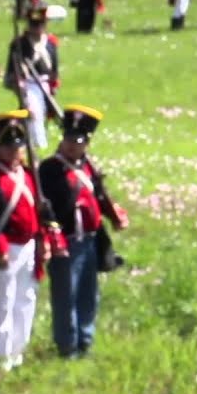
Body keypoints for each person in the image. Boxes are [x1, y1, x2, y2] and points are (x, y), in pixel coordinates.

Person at [38, 105, 130, 358]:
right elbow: (44, 208)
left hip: (90, 240)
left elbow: (99, 197)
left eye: (77, 141)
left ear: (87, 142)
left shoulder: (88, 167)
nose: (71, 145)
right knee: (65, 297)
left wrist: (114, 216)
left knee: (88, 295)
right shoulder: (49, 169)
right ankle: (67, 346)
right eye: (68, 139)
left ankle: (85, 341)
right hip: (65, 241)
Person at [0, 111, 64, 370]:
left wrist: (44, 240)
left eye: (18, 146)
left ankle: (17, 352)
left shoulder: (28, 175)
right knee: (1, 303)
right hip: (5, 248)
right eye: (8, 146)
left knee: (24, 300)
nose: (14, 151)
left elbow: (40, 211)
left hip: (29, 246)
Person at [5, 1, 60, 151]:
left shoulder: (50, 43)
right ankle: (38, 144)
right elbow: (12, 70)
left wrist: (54, 86)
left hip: (44, 83)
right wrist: (18, 85)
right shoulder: (19, 44)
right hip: (28, 83)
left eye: (40, 24)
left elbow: (54, 68)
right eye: (34, 24)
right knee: (32, 112)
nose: (37, 28)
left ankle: (31, 141)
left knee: (42, 114)